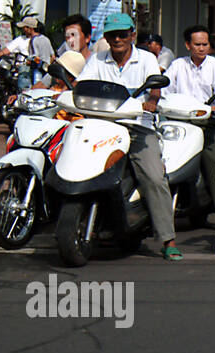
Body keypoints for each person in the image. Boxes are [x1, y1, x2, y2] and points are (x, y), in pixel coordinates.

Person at [76, 13, 182, 260]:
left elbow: (155, 89)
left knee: (154, 176)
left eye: (122, 34)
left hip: (138, 128)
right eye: (112, 34)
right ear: (105, 37)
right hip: (103, 126)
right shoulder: (97, 59)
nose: (117, 39)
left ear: (132, 35)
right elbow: (82, 85)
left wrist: (151, 103)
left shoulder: (145, 58)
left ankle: (168, 239)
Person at [165, 26, 215, 223]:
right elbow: (164, 91)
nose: (202, 48)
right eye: (197, 44)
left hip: (208, 125)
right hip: (180, 124)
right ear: (188, 45)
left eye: (205, 44)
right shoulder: (177, 65)